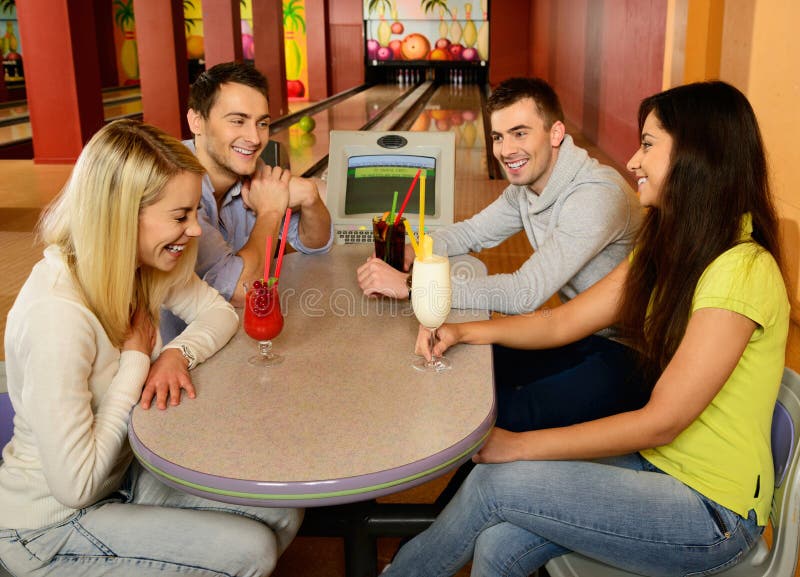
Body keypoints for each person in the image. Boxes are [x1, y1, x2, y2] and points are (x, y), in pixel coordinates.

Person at [382, 80, 790, 577]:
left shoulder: (742, 270)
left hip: (710, 511)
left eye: (647, 145)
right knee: (500, 541)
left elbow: (662, 420)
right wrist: (465, 333)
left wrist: (519, 445)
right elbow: (562, 320)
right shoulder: (670, 247)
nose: (633, 162)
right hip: (655, 465)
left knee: (496, 482)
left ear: (697, 155)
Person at [0, 119, 302, 576]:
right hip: (48, 529)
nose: (196, 231)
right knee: (250, 550)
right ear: (120, 216)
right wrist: (137, 361)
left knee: (282, 506)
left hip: (121, 478)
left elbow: (219, 313)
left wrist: (175, 354)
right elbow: (77, 485)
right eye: (180, 217)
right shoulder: (57, 316)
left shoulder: (140, 267)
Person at [364, 77, 647, 432]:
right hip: (577, 332)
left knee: (495, 414)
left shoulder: (595, 197)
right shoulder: (528, 186)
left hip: (630, 354)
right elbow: (472, 232)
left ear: (555, 133)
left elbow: (524, 292)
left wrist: (414, 284)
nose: (506, 149)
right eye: (498, 137)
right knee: (469, 371)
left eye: (520, 133)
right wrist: (415, 249)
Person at [161, 61, 333, 341]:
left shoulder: (252, 171)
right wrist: (270, 212)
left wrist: (311, 198)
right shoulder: (174, 186)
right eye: (237, 121)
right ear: (197, 121)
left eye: (262, 123)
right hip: (169, 362)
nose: (254, 138)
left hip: (224, 343)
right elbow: (243, 290)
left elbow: (315, 244)